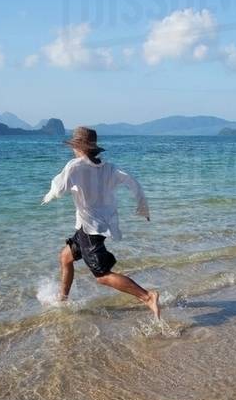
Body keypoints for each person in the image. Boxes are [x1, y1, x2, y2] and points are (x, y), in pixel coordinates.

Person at [42, 126, 160, 319]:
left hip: (90, 230)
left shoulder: (75, 165)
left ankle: (147, 296)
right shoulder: (109, 168)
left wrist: (50, 195)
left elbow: (59, 185)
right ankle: (62, 301)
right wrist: (143, 207)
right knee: (65, 257)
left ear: (79, 147)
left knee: (102, 276)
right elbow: (133, 182)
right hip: (90, 227)